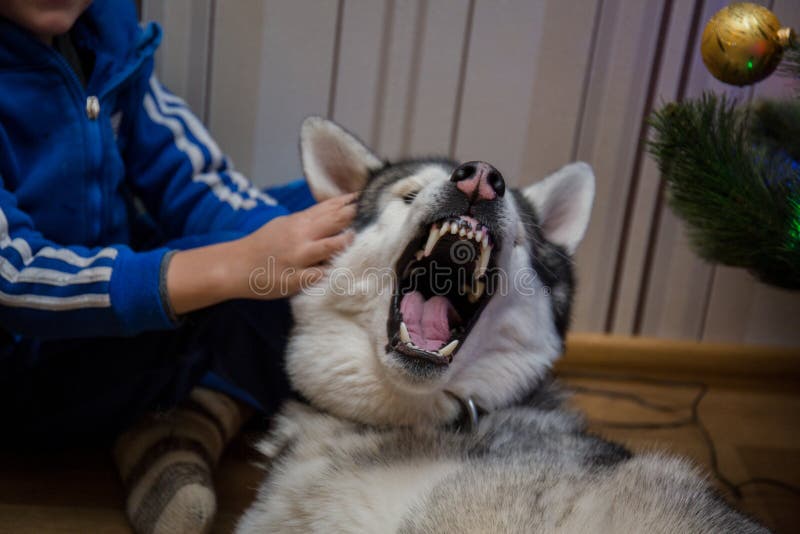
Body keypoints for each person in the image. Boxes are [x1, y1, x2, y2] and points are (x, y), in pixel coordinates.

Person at [0, 1, 355, 532]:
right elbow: (14, 276)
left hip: (117, 298)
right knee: (233, 291)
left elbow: (191, 177)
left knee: (329, 208)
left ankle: (178, 426)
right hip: (26, 373)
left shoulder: (105, 36)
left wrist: (288, 242)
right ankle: (199, 416)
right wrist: (231, 266)